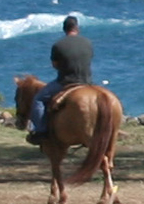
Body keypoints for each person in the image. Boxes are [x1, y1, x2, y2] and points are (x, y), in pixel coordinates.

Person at [26, 16, 94, 145]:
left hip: (65, 82)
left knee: (39, 99)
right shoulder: (88, 43)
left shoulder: (58, 45)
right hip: (87, 82)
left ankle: (40, 131)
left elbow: (55, 65)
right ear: (77, 28)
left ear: (64, 29)